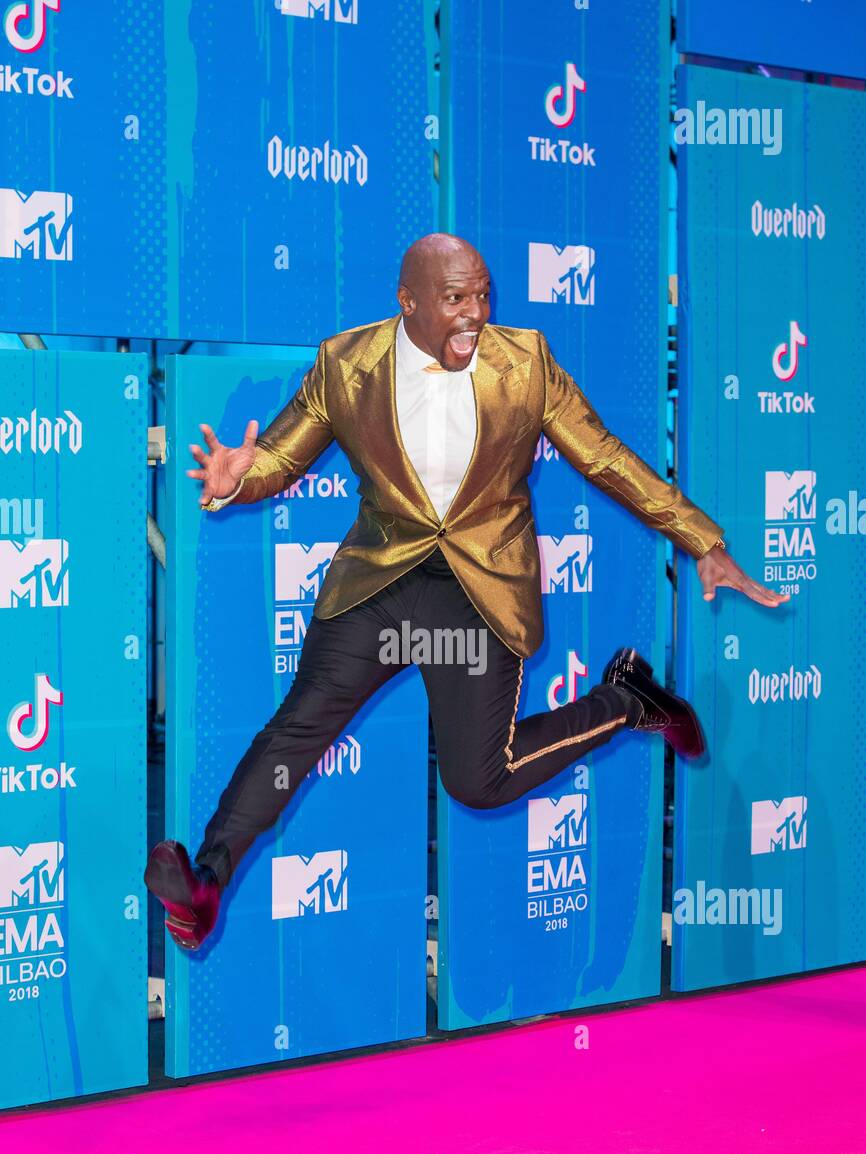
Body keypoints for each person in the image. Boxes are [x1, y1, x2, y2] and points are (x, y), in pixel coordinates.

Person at [145, 234, 788, 950]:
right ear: (409, 301)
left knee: (480, 781)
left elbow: (605, 457)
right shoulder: (346, 364)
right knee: (298, 728)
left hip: (478, 591)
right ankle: (205, 885)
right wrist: (242, 476)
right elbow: (281, 454)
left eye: (482, 295)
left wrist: (703, 538)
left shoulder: (526, 362)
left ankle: (630, 701)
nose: (475, 313)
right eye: (456, 298)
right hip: (381, 582)